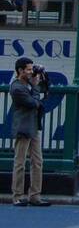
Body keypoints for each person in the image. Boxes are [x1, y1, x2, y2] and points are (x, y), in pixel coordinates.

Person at [10, 57, 51, 206]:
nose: (31, 72)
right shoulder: (17, 88)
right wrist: (35, 87)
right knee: (20, 162)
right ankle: (17, 196)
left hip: (33, 126)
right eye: (28, 69)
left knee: (38, 161)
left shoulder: (28, 83)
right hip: (23, 126)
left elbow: (44, 91)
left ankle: (35, 195)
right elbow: (33, 103)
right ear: (20, 71)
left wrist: (43, 79)